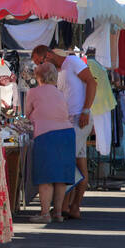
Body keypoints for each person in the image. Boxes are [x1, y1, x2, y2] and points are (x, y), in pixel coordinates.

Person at [31, 43, 97, 219]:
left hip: (78, 119)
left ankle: (64, 206)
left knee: (65, 163)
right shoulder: (58, 73)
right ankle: (73, 207)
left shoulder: (73, 62)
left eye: (39, 62)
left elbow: (92, 82)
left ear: (48, 55)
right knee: (79, 165)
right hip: (69, 123)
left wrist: (86, 110)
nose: (39, 67)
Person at [25, 62, 74, 222]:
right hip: (67, 133)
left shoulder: (33, 92)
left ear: (38, 76)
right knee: (60, 177)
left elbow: (26, 113)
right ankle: (58, 213)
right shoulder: (59, 93)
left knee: (46, 177)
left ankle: (45, 213)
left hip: (46, 135)